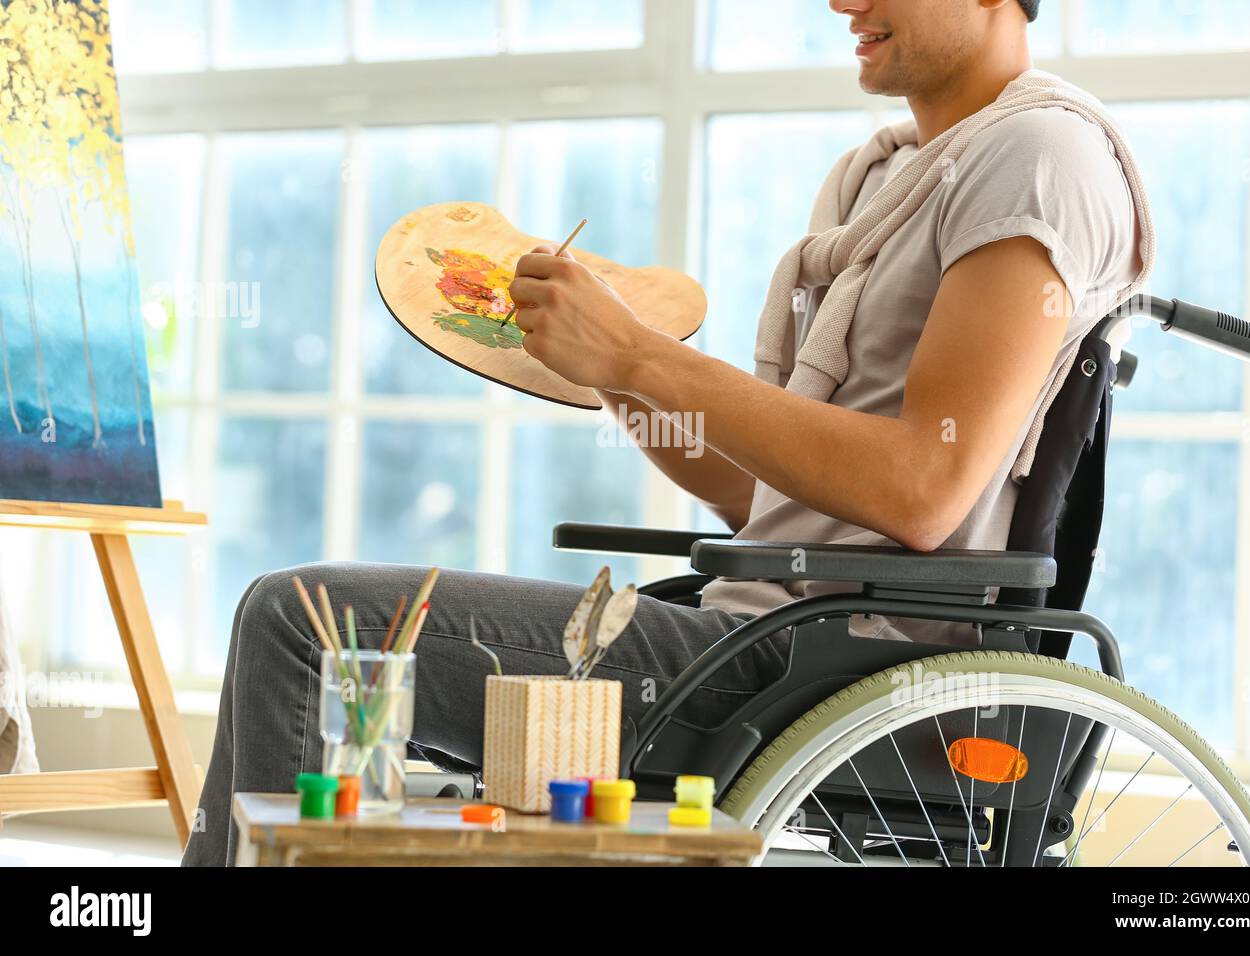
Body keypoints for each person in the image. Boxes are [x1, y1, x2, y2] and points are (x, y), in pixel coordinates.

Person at [182, 0, 1149, 865]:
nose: (840, 1)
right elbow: (760, 499)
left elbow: (924, 491)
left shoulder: (1040, 160)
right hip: (768, 632)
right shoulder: (875, 179)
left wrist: (642, 357)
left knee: (305, 624)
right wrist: (610, 369)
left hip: (837, 658)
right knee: (314, 625)